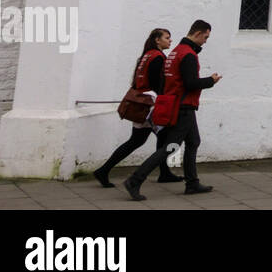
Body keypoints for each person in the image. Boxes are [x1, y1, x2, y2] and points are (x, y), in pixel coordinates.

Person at [124, 19, 221, 199]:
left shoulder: (175, 52)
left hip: (178, 104)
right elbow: (190, 83)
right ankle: (135, 180)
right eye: (206, 37)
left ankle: (192, 183)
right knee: (170, 147)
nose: (206, 41)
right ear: (198, 33)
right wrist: (211, 81)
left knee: (193, 142)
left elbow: (166, 82)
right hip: (183, 106)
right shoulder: (188, 55)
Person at [94, 28, 181, 187]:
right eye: (167, 38)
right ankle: (160, 173)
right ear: (157, 40)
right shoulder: (158, 57)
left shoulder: (146, 56)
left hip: (141, 103)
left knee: (139, 140)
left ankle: (104, 170)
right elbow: (157, 84)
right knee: (164, 138)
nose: (170, 40)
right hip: (150, 104)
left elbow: (137, 81)